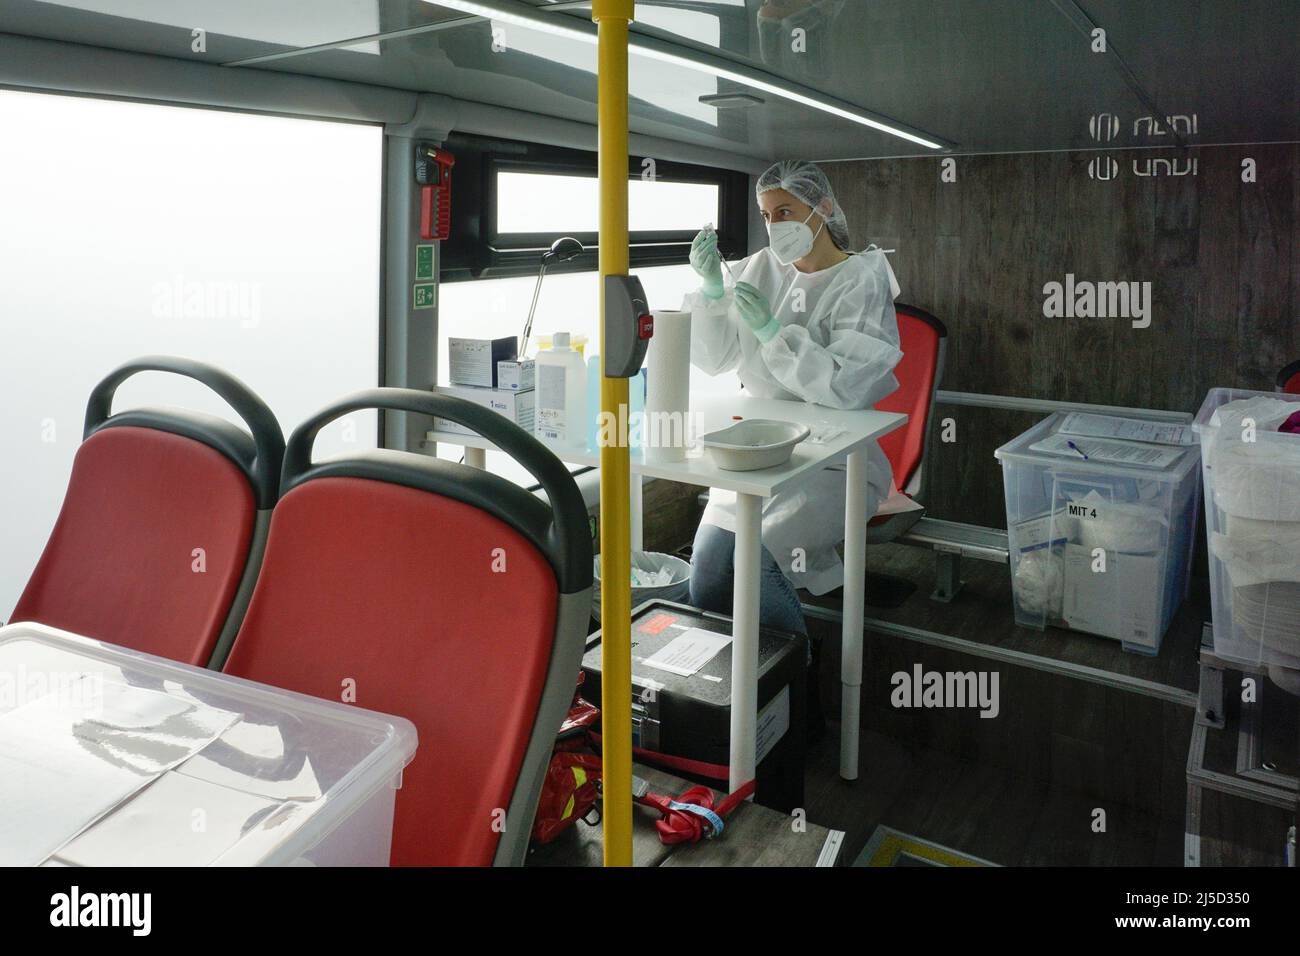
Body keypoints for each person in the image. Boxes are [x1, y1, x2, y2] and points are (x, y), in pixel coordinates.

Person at [683, 160, 903, 647]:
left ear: (822, 207)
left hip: (836, 462)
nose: (773, 225)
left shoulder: (861, 279)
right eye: (766, 215)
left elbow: (846, 386)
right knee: (708, 574)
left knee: (754, 561)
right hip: (761, 451)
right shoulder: (758, 269)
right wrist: (713, 293)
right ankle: (729, 681)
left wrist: (772, 333)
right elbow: (716, 360)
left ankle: (792, 679)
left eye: (785, 211)